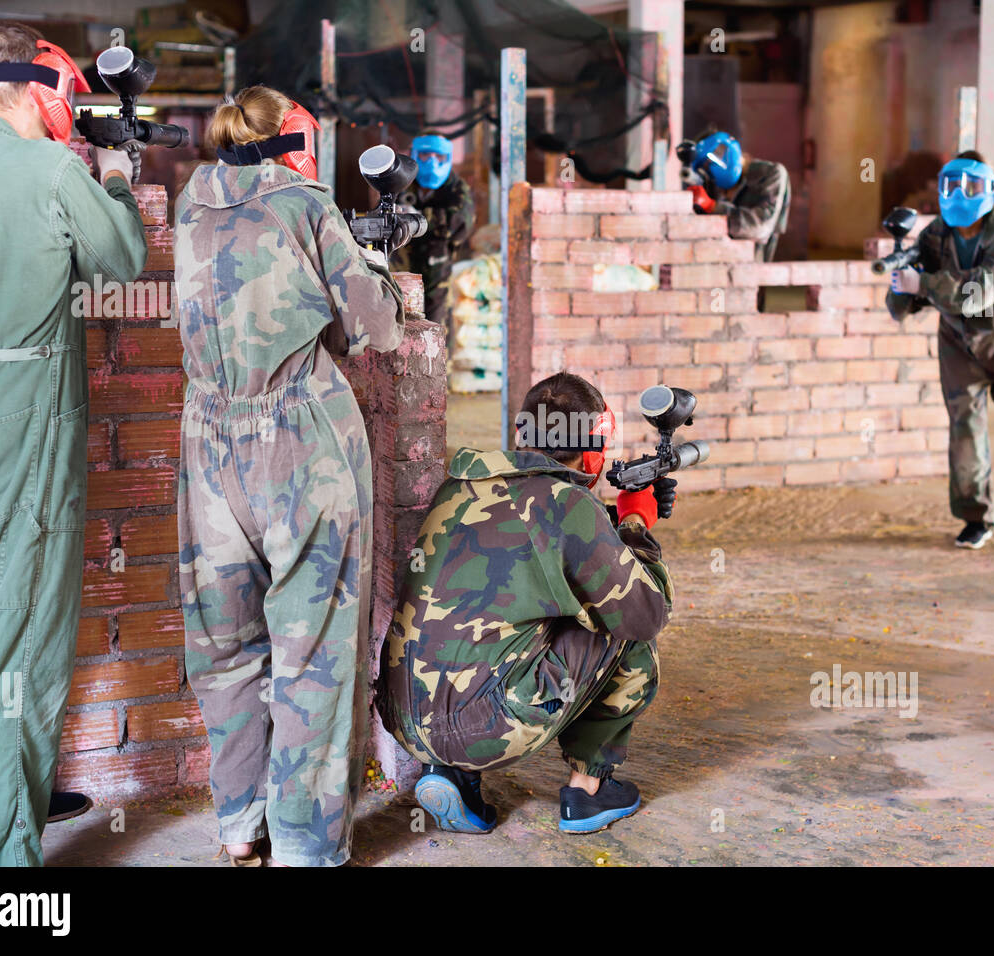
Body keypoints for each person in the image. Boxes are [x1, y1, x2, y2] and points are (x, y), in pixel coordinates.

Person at [0, 21, 147, 866]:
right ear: (43, 86)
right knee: (9, 653)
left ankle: (6, 804)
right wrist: (118, 169)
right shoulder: (52, 170)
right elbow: (122, 260)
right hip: (20, 423)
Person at [175, 85, 406, 867]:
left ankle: (240, 831)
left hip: (207, 444)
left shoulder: (191, 201)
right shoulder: (308, 205)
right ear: (299, 137)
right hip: (299, 442)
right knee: (311, 652)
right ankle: (307, 845)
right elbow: (371, 326)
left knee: (226, 652)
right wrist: (376, 261)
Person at [376, 372, 677, 835]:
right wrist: (635, 523)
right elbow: (644, 613)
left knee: (496, 630)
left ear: (522, 435)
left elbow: (528, 548)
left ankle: (450, 774)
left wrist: (603, 521)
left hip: (405, 719)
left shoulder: (458, 485)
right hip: (488, 729)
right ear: (595, 447)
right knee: (624, 632)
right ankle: (587, 791)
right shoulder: (568, 504)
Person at [884, 151, 994, 549]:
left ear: (989, 190)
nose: (958, 194)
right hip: (958, 340)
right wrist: (902, 287)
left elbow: (978, 293)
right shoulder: (934, 235)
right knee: (964, 428)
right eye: (949, 185)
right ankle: (977, 517)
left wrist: (924, 284)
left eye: (968, 186)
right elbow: (902, 310)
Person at [391, 132, 475, 329]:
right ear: (414, 155)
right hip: (402, 260)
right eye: (425, 155)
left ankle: (444, 360)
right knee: (399, 317)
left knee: (436, 321)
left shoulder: (456, 187)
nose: (432, 162)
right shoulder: (402, 183)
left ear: (448, 158)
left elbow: (462, 224)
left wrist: (420, 216)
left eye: (439, 156)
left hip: (438, 262)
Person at [683, 130, 790, 262]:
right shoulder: (712, 183)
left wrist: (712, 206)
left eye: (717, 155)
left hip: (752, 268)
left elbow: (759, 227)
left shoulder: (771, 174)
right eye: (707, 164)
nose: (713, 166)